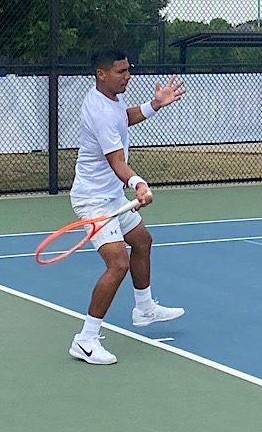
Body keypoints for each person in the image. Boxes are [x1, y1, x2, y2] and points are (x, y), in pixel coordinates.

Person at [68, 50, 186, 365]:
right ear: (101, 73)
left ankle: (144, 307)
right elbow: (117, 161)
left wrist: (155, 104)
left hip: (110, 195)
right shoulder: (100, 112)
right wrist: (140, 184)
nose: (127, 76)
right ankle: (86, 340)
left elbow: (126, 117)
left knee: (142, 241)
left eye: (128, 70)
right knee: (118, 264)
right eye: (120, 71)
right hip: (93, 200)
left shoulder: (111, 99)